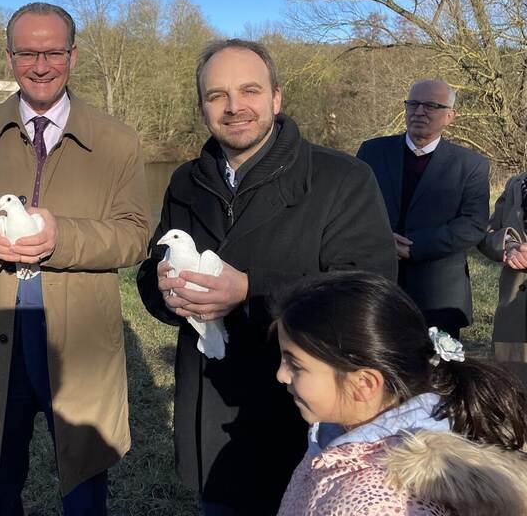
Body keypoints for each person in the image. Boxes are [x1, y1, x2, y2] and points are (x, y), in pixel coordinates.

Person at [136, 39, 397, 515]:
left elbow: (369, 292)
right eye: (217, 95)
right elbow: (150, 271)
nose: (235, 107)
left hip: (303, 420)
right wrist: (166, 293)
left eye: (249, 90)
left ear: (276, 97)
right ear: (202, 108)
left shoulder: (343, 179)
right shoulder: (185, 182)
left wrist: (249, 291)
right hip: (211, 407)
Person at [0, 2, 150, 515]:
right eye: (27, 51)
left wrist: (62, 239)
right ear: (9, 57)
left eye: (53, 51)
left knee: (83, 488)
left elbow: (136, 236)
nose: (41, 64)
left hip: (80, 344)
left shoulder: (117, 141)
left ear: (73, 55)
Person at [274, 272, 527, 515]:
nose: (281, 375)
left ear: (364, 384)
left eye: (294, 365)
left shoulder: (380, 505)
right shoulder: (333, 439)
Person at [357, 79, 490, 338]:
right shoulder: (372, 152)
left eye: (430, 105)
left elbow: (473, 224)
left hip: (439, 294)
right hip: (378, 285)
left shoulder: (471, 165)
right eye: (413, 104)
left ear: (450, 116)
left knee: (435, 374)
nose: (419, 111)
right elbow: (352, 207)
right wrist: (382, 241)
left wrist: (413, 246)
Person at [478, 171, 527, 381]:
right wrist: (509, 245)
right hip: (514, 311)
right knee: (512, 383)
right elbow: (487, 234)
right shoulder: (517, 183)